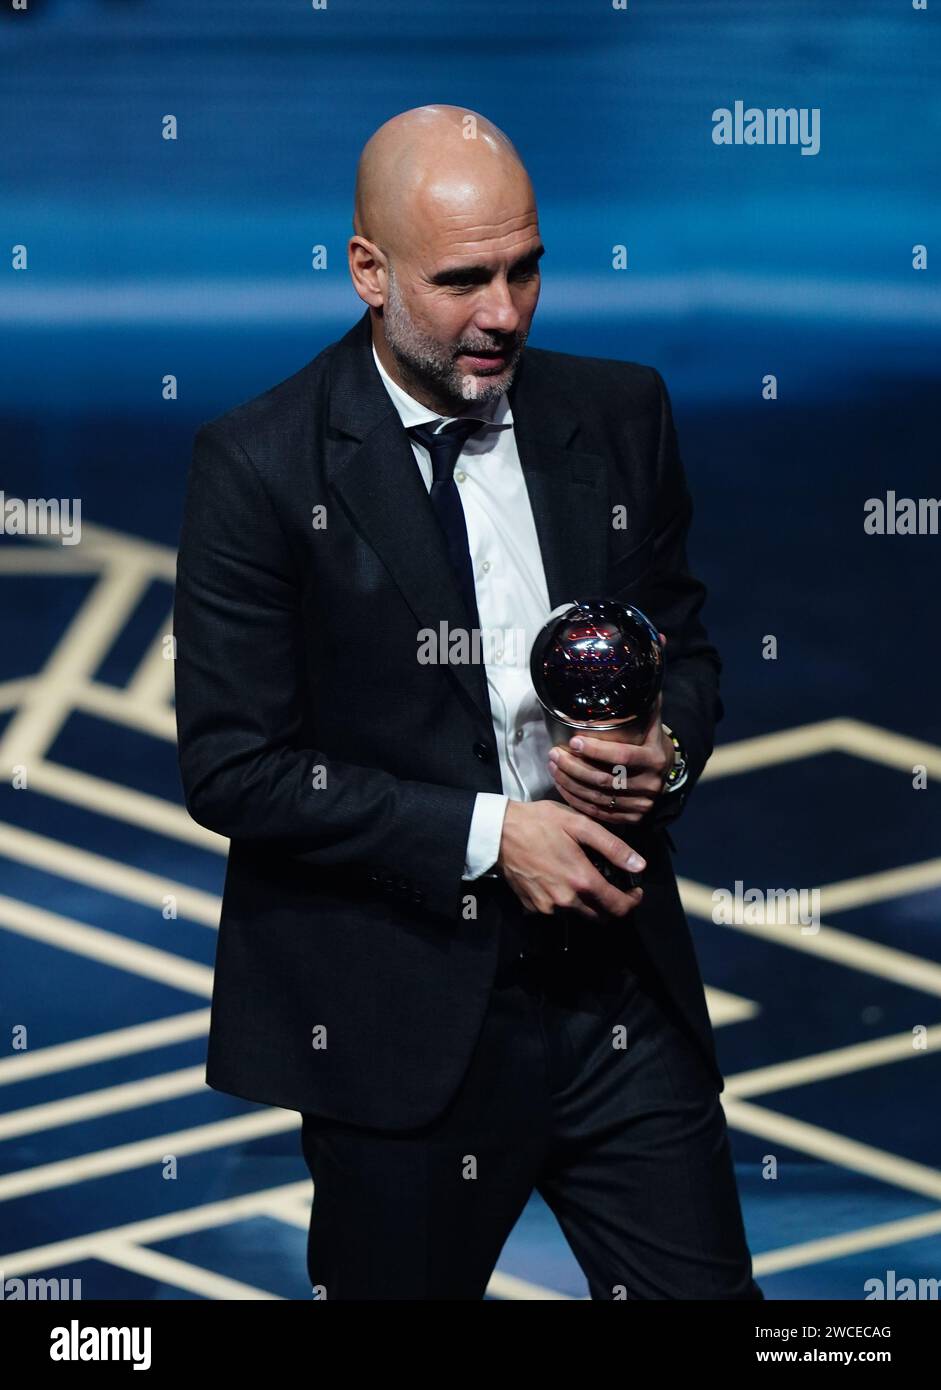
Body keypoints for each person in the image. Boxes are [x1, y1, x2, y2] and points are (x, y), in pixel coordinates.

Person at [173, 104, 762, 1301]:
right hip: (400, 1030)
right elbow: (235, 766)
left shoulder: (618, 413)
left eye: (525, 268)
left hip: (616, 997)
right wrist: (497, 837)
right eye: (462, 279)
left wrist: (663, 749)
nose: (503, 311)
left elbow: (685, 652)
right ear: (368, 271)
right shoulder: (260, 466)